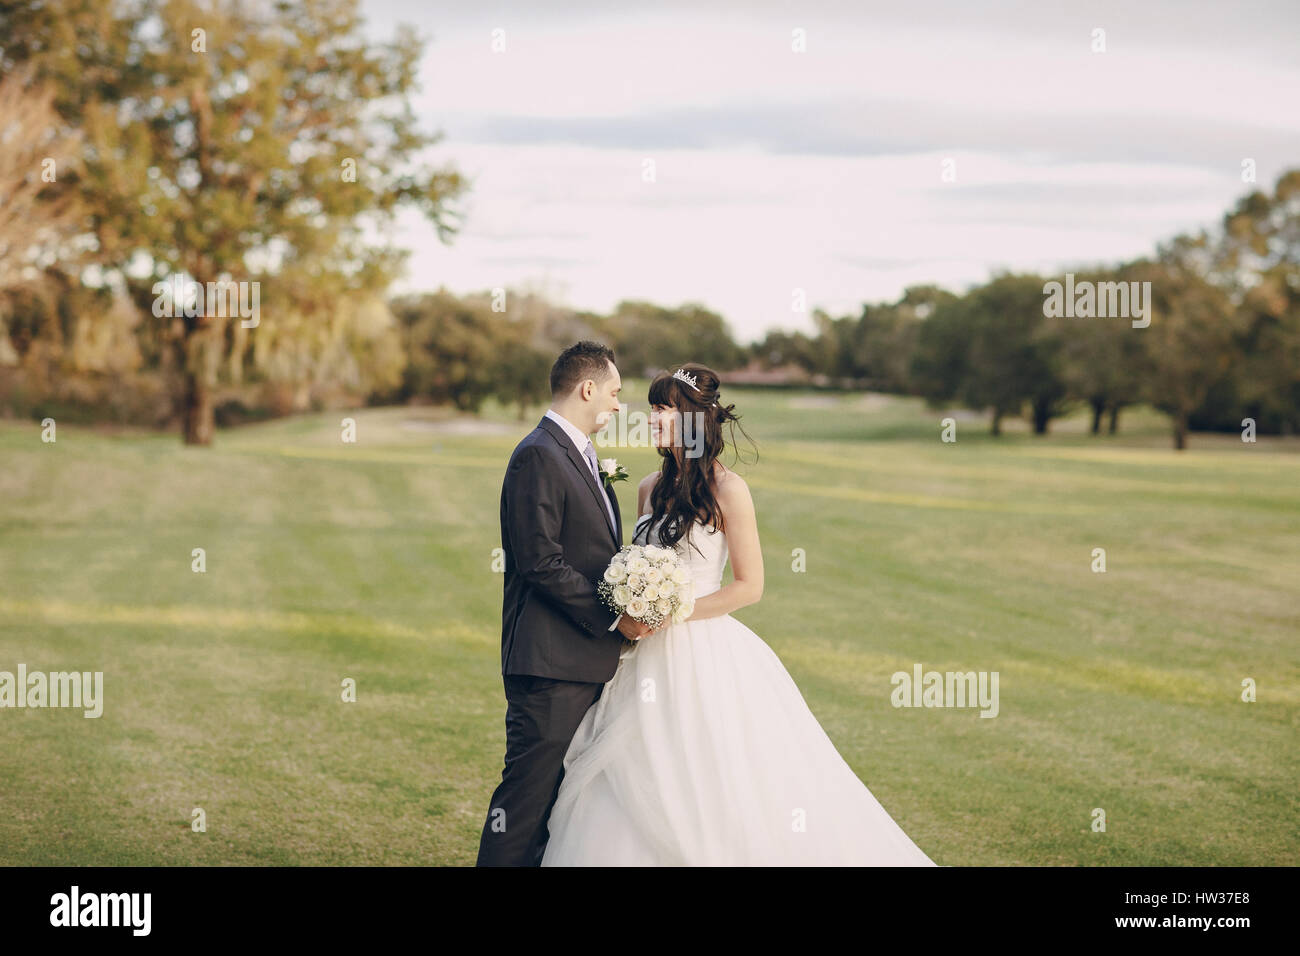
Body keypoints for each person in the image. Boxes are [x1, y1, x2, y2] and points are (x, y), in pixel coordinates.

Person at [540, 363, 937, 866]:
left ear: (692, 421)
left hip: (701, 649)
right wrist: (634, 601)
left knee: (712, 769)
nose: (651, 418)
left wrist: (672, 611)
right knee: (629, 768)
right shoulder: (646, 488)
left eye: (663, 409)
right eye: (653, 408)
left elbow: (750, 587)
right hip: (640, 654)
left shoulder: (729, 491)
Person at [475, 341, 655, 867]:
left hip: (578, 660)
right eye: (616, 393)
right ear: (588, 388)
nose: (620, 405)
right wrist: (616, 613)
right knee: (525, 804)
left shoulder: (576, 452)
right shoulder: (539, 453)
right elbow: (539, 561)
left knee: (557, 806)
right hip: (550, 664)